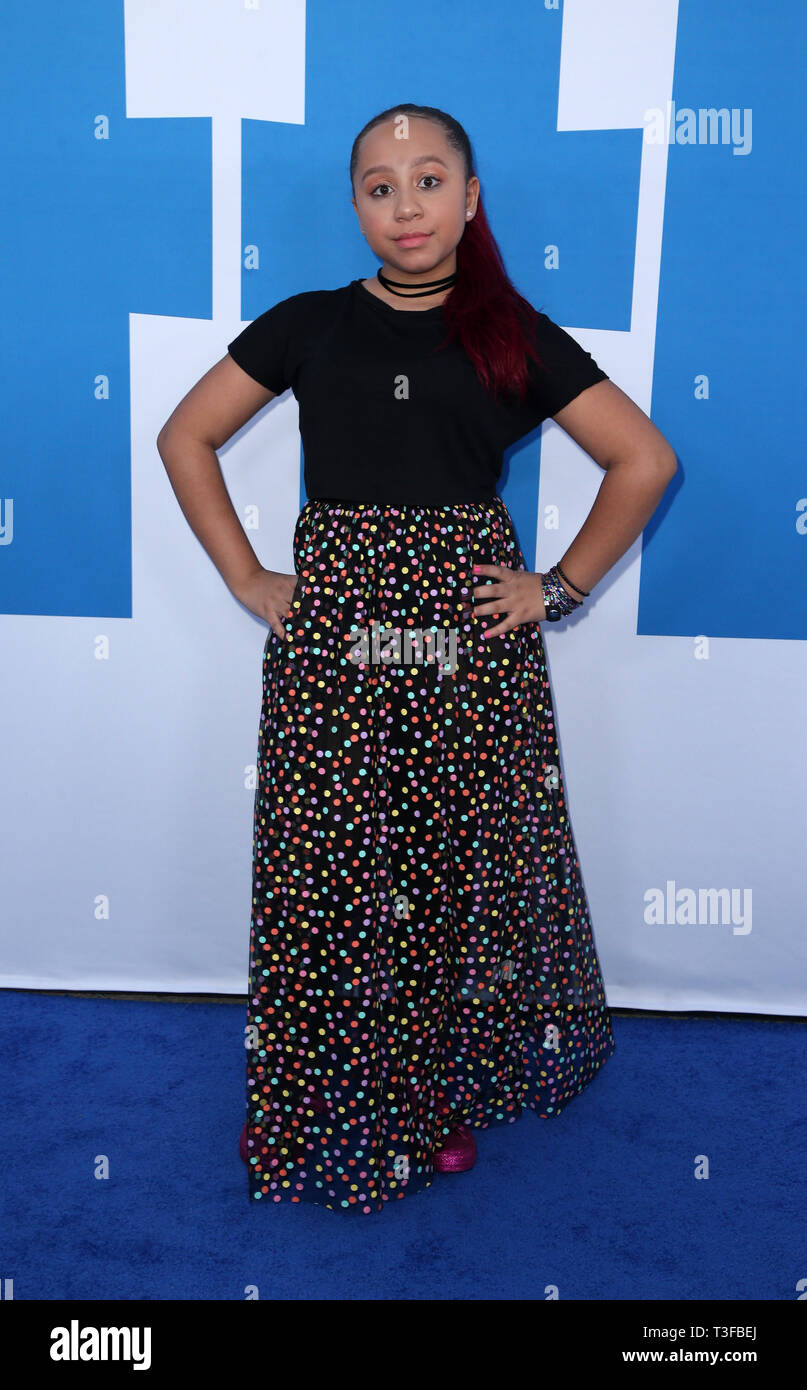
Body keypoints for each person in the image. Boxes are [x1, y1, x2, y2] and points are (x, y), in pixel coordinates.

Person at [157, 102, 677, 1216]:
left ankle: (431, 1094)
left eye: (430, 180)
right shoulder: (306, 323)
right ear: (356, 206)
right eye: (381, 186)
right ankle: (312, 1082)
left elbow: (643, 458)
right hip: (335, 641)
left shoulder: (511, 332)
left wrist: (560, 586)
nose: (406, 205)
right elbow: (182, 436)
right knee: (325, 864)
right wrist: (252, 579)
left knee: (447, 869)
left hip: (467, 647)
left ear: (471, 199)